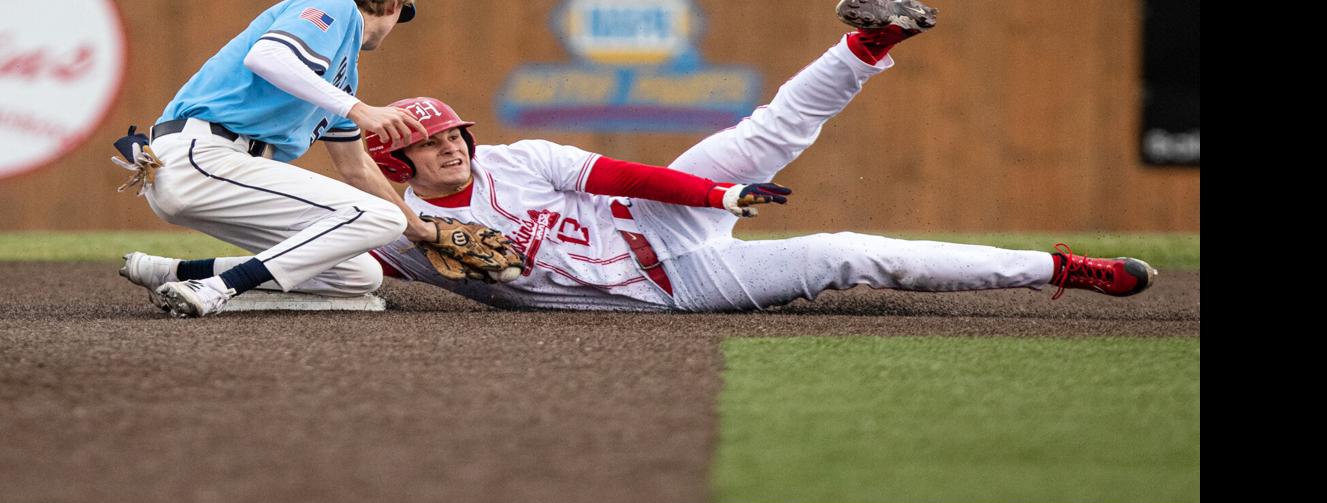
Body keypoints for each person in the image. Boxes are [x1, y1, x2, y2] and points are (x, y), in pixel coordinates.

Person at [361, 0, 1156, 312]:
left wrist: (715, 198)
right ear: (398, 166)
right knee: (852, 252)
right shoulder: (401, 226)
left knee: (765, 135)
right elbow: (331, 248)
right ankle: (1059, 270)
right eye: (427, 145)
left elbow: (621, 178)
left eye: (450, 133)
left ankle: (866, 42)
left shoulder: (515, 156)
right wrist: (237, 278)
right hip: (681, 284)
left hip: (657, 213)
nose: (447, 148)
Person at [115, 0, 443, 317]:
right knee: (381, 216)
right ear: (393, 6)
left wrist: (420, 230)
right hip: (201, 157)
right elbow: (267, 56)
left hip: (213, 171)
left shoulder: (341, 82)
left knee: (356, 273)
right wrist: (357, 110)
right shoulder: (335, 5)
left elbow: (356, 168)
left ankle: (175, 272)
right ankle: (215, 288)